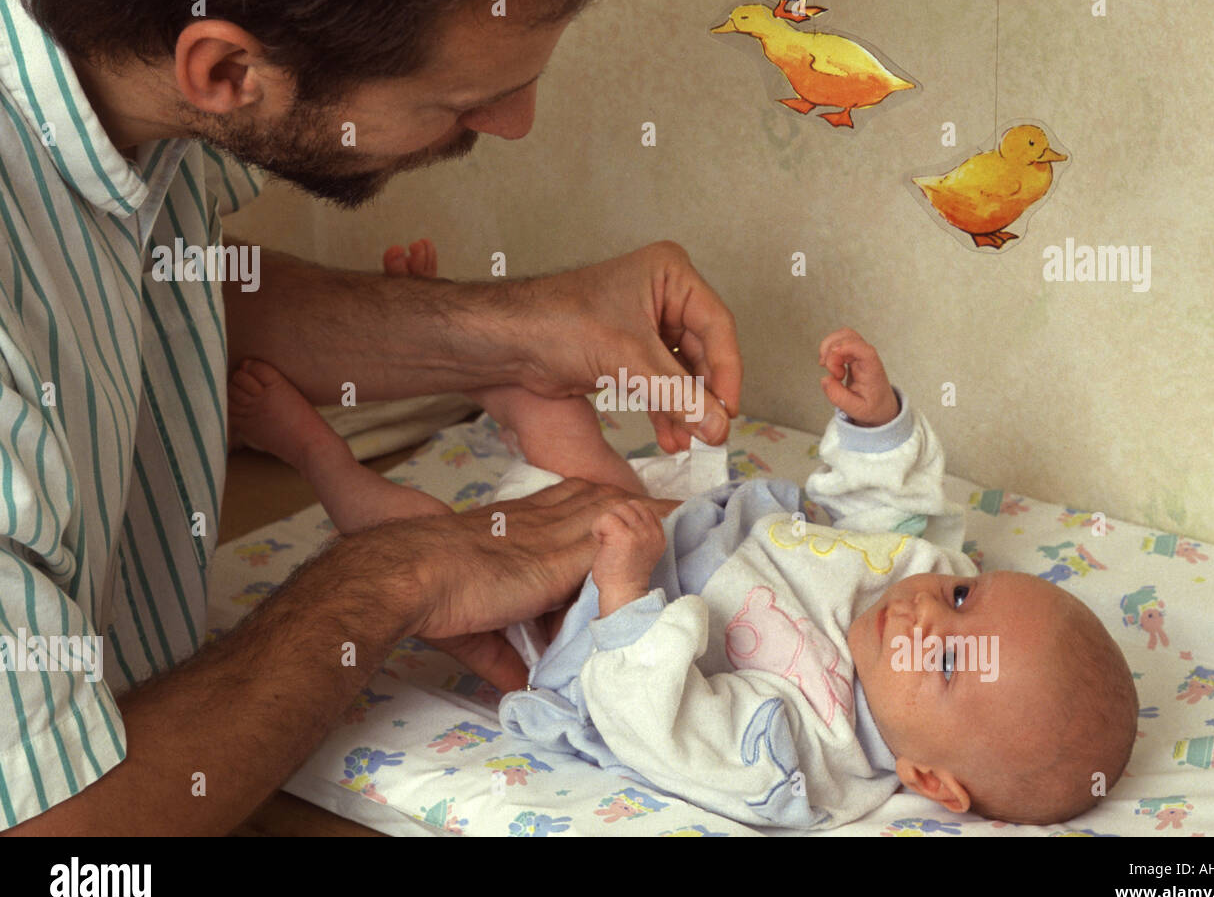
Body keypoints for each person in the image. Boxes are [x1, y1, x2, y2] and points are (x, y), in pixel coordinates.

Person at [0, 0, 741, 834]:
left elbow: (161, 286)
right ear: (228, 72)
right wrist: (403, 572)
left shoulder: (130, 76)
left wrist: (526, 326)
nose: (516, 123)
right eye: (462, 102)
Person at [230, 322, 1140, 828]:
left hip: (577, 637)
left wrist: (623, 598)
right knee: (571, 433)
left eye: (945, 666)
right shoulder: (913, 575)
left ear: (929, 779)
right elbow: (894, 512)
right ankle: (499, 388)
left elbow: (670, 732)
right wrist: (875, 427)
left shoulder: (800, 753)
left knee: (422, 560)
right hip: (655, 530)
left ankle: (312, 453)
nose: (924, 619)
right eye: (965, 600)